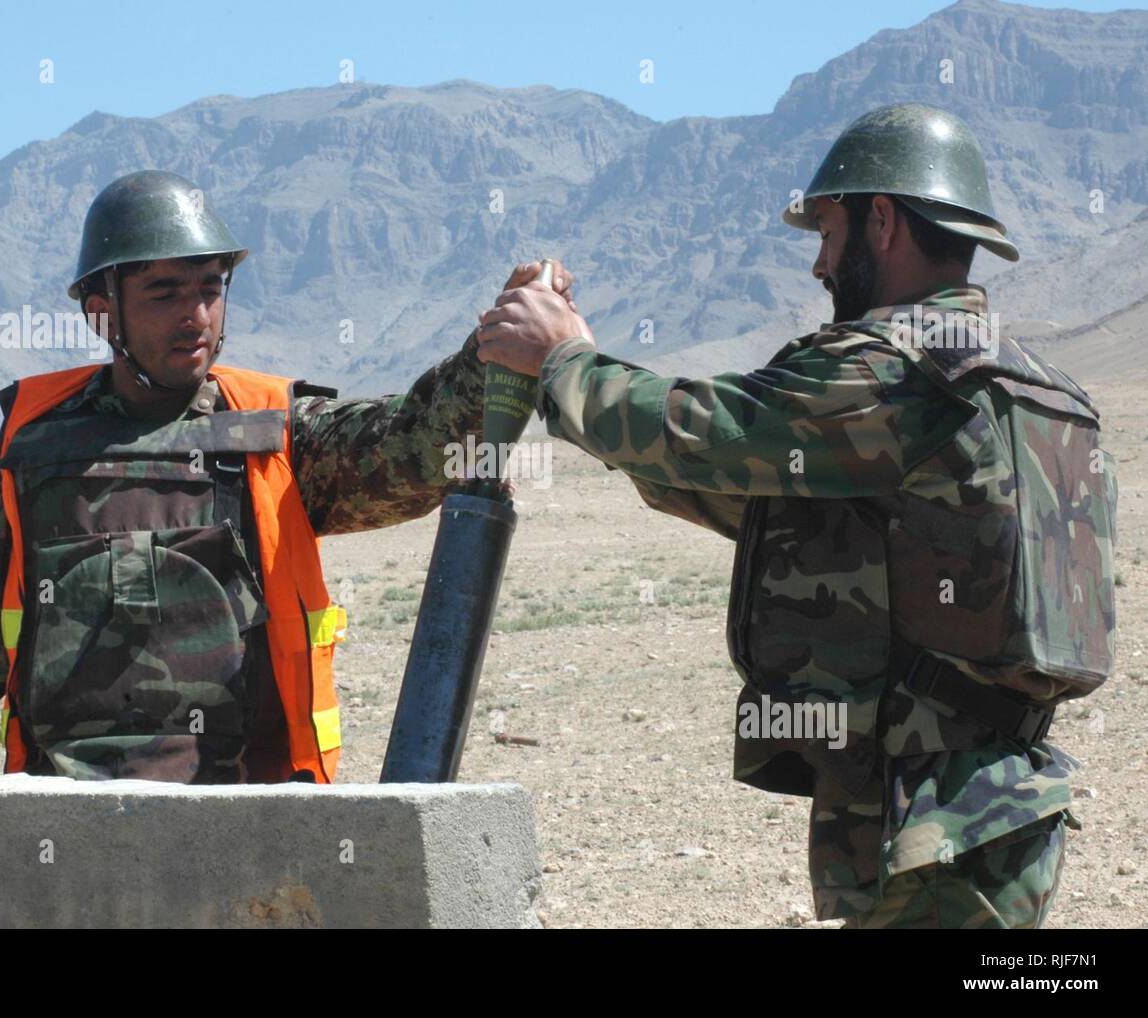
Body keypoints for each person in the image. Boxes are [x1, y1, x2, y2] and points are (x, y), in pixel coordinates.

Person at [475, 104, 1117, 928]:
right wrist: (601, 404)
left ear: (881, 222)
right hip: (995, 805)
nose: (818, 264)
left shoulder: (895, 372)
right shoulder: (1031, 384)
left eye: (827, 231)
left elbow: (709, 432)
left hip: (934, 820)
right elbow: (770, 499)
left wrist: (564, 360)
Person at [0, 169, 557, 786]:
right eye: (165, 292)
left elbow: (419, 443)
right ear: (101, 310)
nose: (196, 315)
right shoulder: (32, 446)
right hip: (69, 829)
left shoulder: (275, 432)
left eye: (210, 288)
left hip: (255, 820)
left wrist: (496, 353)